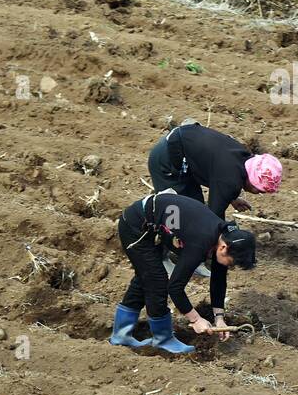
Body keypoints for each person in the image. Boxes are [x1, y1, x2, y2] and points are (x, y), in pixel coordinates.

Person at [110, 191, 256, 354]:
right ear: (224, 248)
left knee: (146, 276)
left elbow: (218, 279)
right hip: (136, 225)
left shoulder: (226, 236)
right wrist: (196, 320)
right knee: (156, 281)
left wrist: (219, 318)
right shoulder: (202, 241)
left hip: (154, 225)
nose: (231, 267)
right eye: (232, 263)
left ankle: (121, 335)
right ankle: (162, 339)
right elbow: (175, 287)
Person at [147, 120, 281, 276]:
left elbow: (217, 171)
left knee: (194, 208)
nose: (258, 193)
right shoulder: (230, 180)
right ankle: (160, 257)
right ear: (252, 179)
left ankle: (190, 257)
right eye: (259, 189)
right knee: (176, 214)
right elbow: (212, 217)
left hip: (185, 158)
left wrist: (231, 198)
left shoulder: (243, 158)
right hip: (167, 162)